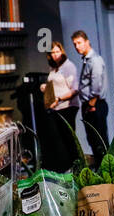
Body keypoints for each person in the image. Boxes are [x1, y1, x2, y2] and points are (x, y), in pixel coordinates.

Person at [40, 41, 80, 172]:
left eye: (58, 52)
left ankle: (76, 167)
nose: (56, 55)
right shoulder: (54, 68)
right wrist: (45, 88)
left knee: (69, 138)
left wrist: (59, 98)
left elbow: (74, 89)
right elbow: (55, 85)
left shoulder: (68, 67)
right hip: (56, 108)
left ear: (62, 52)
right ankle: (66, 168)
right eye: (53, 53)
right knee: (59, 140)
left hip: (67, 107)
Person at [72, 30, 110, 164]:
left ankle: (105, 170)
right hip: (90, 104)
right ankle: (101, 169)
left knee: (99, 140)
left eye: (79, 43)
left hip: (95, 104)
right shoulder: (86, 60)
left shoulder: (95, 60)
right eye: (75, 44)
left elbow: (97, 83)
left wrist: (92, 104)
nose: (77, 46)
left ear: (87, 42)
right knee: (93, 140)